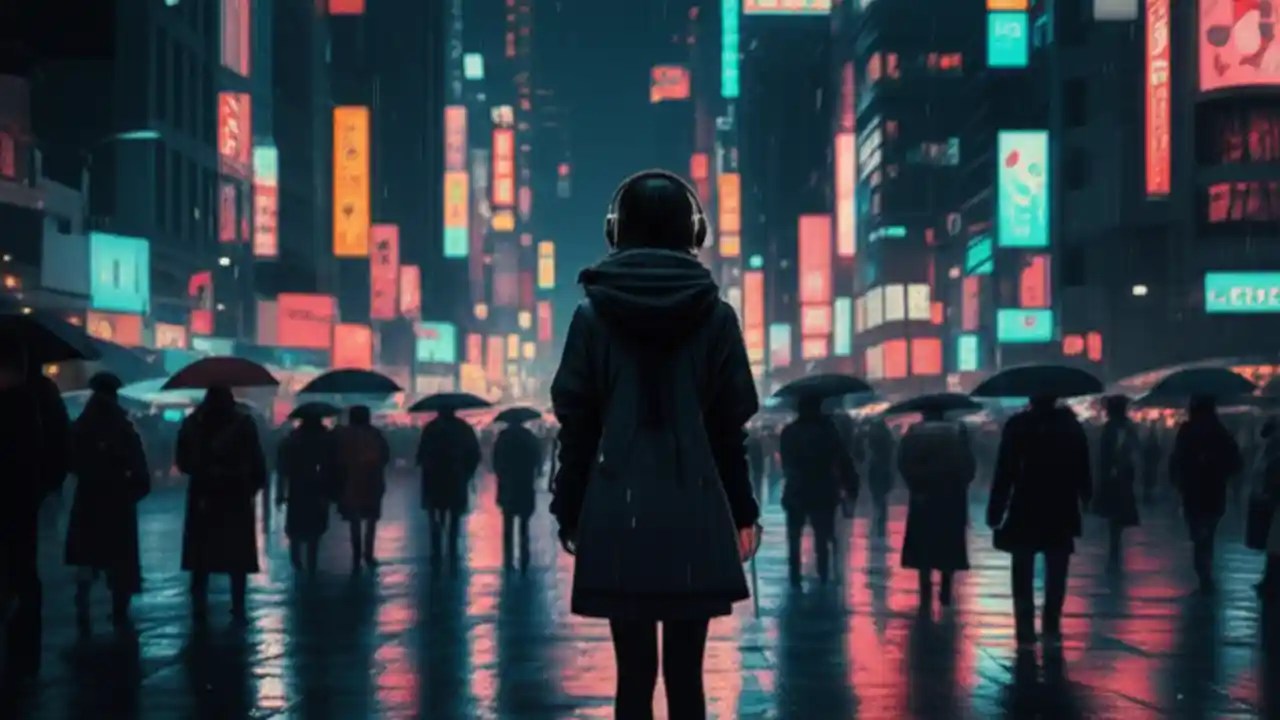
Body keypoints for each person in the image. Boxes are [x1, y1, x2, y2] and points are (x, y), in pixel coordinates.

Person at [550, 169, 762, 720]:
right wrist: (744, 510)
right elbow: (728, 428)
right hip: (696, 508)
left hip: (619, 509)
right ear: (694, 232)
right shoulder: (716, 318)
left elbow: (577, 426)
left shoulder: (592, 316)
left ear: (615, 232)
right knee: (687, 677)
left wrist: (569, 508)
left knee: (634, 675)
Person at [986, 395, 1092, 648]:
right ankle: (1052, 624)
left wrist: (996, 509)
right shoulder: (1070, 426)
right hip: (1061, 503)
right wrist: (1086, 496)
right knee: (1057, 567)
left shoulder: (1018, 425)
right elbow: (1082, 466)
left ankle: (1024, 627)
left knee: (1022, 567)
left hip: (1026, 502)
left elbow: (1005, 470)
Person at [0, 346, 69, 679]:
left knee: (19, 565)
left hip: (18, 492)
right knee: (23, 565)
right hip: (27, 493)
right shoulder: (41, 398)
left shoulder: (21, 403)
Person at [65, 372, 150, 627]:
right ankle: (119, 609)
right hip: (117, 500)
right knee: (119, 559)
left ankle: (83, 602)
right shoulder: (122, 427)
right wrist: (134, 491)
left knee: (86, 556)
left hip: (88, 497)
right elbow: (138, 468)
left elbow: (69, 460)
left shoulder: (81, 425)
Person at [176, 386, 267, 622]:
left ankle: (199, 604)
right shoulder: (244, 425)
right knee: (236, 554)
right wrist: (252, 484)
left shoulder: (192, 425)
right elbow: (257, 461)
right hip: (235, 494)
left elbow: (182, 461)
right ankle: (238, 604)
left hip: (203, 494)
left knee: (201, 554)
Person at [897, 409, 975, 608]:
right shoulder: (957, 433)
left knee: (924, 544)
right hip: (951, 496)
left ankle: (925, 590)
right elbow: (968, 466)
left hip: (923, 496)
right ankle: (946, 590)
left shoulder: (914, 433)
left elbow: (903, 462)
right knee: (948, 543)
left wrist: (915, 485)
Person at [779, 396, 859, 588]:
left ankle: (795, 577)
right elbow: (843, 460)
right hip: (823, 489)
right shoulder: (828, 431)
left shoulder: (789, 432)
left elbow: (786, 463)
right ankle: (822, 574)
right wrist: (851, 487)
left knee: (794, 536)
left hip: (796, 489)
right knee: (822, 536)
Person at [1169, 395, 1242, 594]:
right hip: (1214, 489)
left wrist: (1176, 479)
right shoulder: (1221, 432)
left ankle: (1202, 567)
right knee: (1208, 529)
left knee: (1197, 528)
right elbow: (1235, 461)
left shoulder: (1187, 431)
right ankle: (1204, 566)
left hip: (1192, 489)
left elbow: (1176, 458)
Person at [417, 407, 481, 569]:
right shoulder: (463, 428)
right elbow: (474, 453)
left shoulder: (430, 429)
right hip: (456, 478)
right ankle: (452, 548)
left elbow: (420, 454)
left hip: (434, 479)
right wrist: (468, 472)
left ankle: (436, 549)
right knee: (454, 516)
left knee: (435, 516)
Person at [276, 410, 337, 575]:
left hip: (297, 489)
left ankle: (296, 559)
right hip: (319, 488)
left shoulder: (291, 440)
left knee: (296, 526)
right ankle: (311, 563)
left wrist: (280, 492)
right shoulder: (326, 441)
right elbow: (334, 466)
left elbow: (283, 470)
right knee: (315, 529)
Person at [334, 405, 390, 570]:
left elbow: (337, 458)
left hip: (351, 482)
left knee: (355, 521)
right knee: (371, 520)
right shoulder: (376, 434)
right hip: (373, 481)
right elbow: (385, 456)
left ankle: (356, 553)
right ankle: (368, 553)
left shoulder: (344, 435)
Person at [492, 414, 544, 573]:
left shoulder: (503, 438)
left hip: (507, 483)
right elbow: (537, 458)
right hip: (525, 482)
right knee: (524, 523)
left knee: (507, 522)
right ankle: (524, 557)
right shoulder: (529, 437)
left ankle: (508, 558)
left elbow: (496, 459)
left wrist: (500, 473)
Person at [1094, 395, 1141, 568]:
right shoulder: (1128, 428)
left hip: (1114, 474)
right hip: (1124, 473)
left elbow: (1106, 453)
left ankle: (1115, 542)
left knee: (1114, 510)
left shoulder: (1112, 428)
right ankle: (1115, 540)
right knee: (1118, 510)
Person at [865, 417, 896, 537]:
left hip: (875, 469)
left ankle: (877, 521)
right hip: (884, 470)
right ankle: (880, 522)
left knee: (877, 497)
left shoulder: (873, 439)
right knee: (882, 498)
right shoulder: (887, 439)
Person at [1142, 426, 1163, 504]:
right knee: (1152, 482)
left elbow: (1144, 454)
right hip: (1152, 466)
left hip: (1148, 466)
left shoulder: (1147, 444)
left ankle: (1147, 498)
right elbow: (1159, 453)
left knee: (1148, 483)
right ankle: (1150, 499)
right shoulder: (1155, 444)